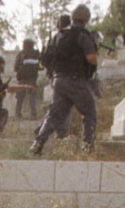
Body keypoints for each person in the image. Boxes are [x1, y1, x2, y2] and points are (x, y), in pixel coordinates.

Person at [31, 8, 100, 156]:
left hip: (58, 80)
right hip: (76, 80)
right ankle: (88, 146)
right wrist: (96, 56)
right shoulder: (83, 35)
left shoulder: (59, 35)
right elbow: (90, 58)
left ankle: (38, 142)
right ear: (86, 19)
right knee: (89, 113)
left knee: (55, 114)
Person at [14, 37, 41, 119]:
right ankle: (34, 115)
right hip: (32, 80)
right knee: (32, 97)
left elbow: (15, 67)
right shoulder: (36, 54)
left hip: (22, 79)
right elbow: (40, 67)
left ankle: (18, 114)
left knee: (20, 98)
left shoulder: (21, 54)